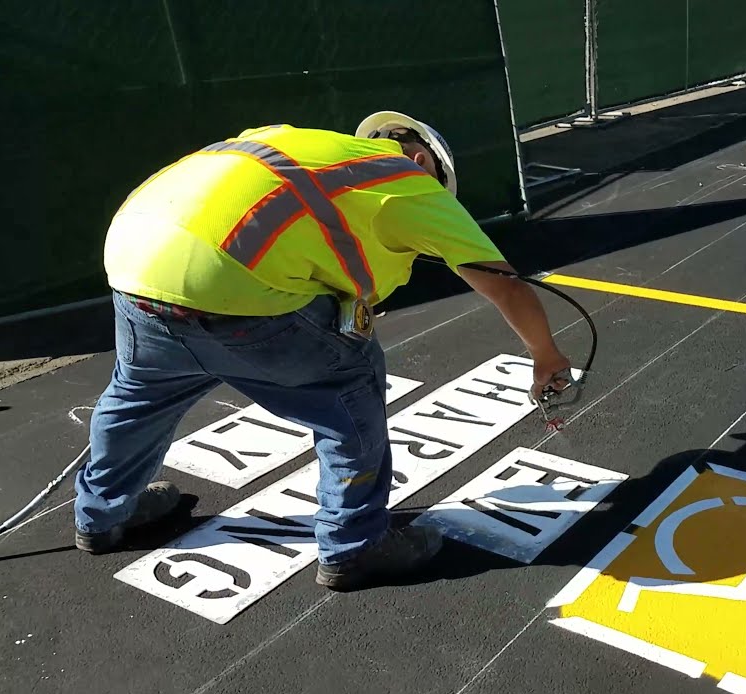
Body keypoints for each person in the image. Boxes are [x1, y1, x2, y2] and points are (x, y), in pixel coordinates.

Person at [73, 111, 573, 591]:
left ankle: (103, 513)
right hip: (233, 283)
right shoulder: (410, 180)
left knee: (139, 394)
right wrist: (545, 354)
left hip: (133, 260)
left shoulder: (301, 146)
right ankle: (354, 543)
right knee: (349, 384)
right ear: (424, 162)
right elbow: (504, 285)